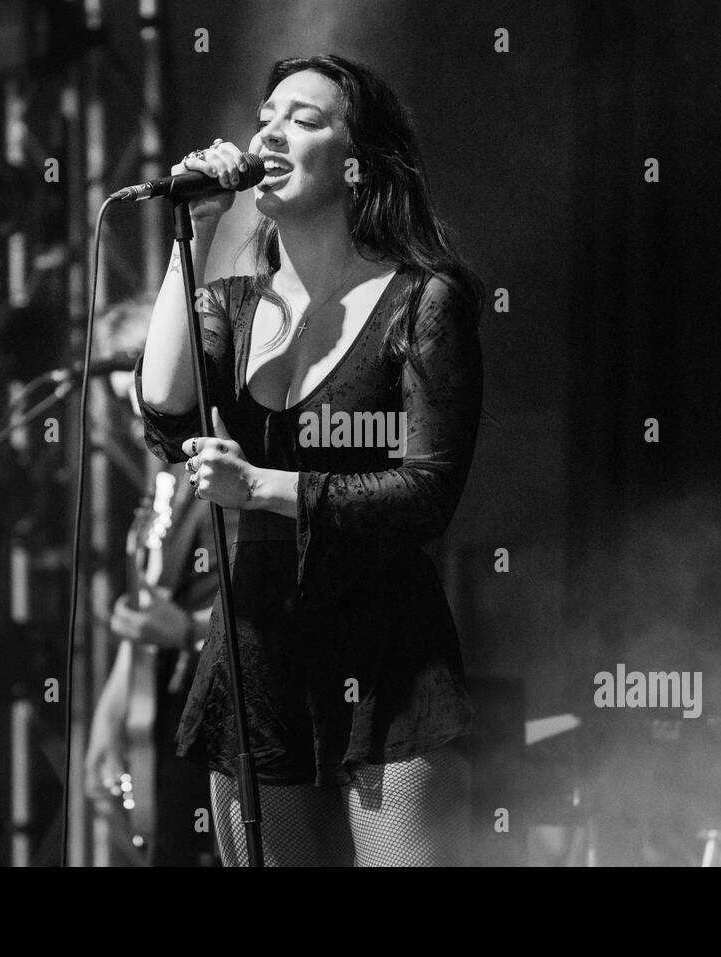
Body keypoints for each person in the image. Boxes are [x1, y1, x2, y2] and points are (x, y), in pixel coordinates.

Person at [134, 54, 486, 866]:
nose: (269, 130)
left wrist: (261, 484)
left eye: (303, 117)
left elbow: (427, 492)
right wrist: (194, 226)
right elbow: (163, 402)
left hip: (385, 644)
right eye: (266, 115)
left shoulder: (423, 300)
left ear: (356, 161)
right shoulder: (229, 303)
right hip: (256, 645)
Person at [83, 297, 238, 866]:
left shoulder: (223, 460)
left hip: (234, 719)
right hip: (171, 724)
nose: (134, 398)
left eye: (144, 374)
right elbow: (149, 622)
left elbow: (285, 595)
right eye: (122, 382)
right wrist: (108, 718)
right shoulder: (159, 489)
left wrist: (190, 630)